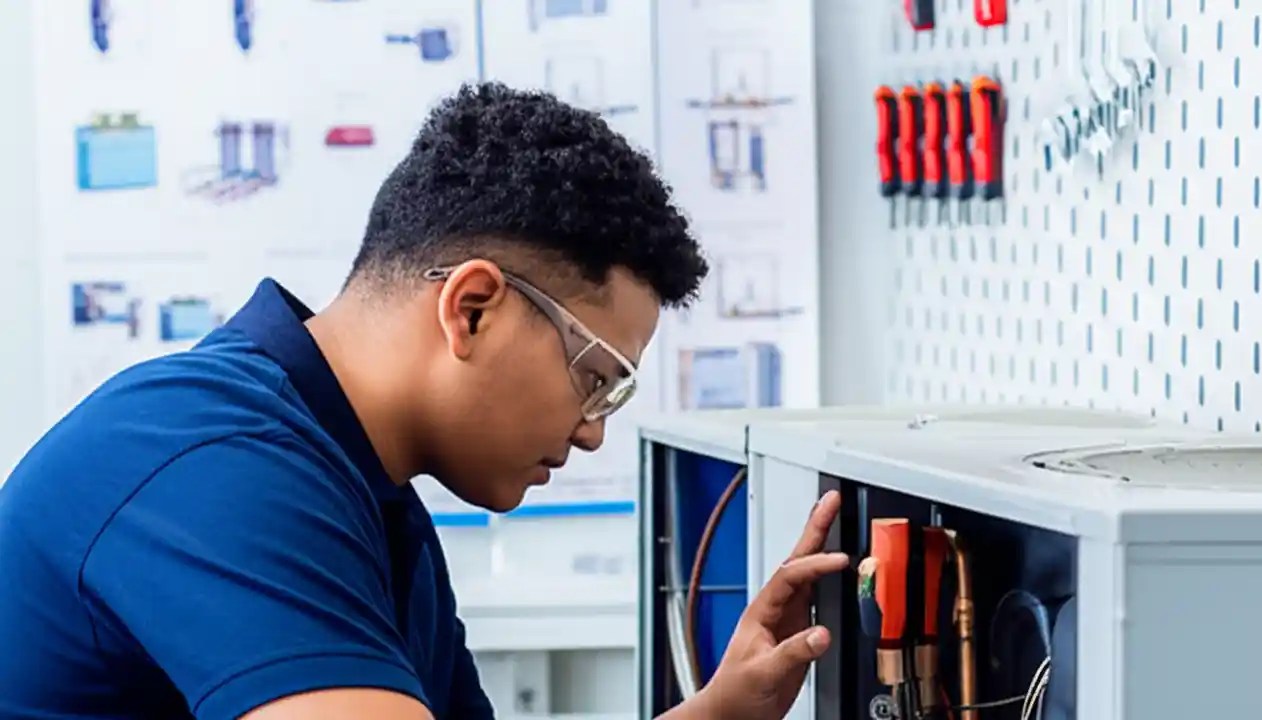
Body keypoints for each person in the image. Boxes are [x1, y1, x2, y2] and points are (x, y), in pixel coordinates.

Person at [0, 82, 848, 719]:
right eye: (595, 378)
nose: (592, 433)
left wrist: (718, 711)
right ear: (470, 308)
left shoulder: (365, 491)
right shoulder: (212, 462)